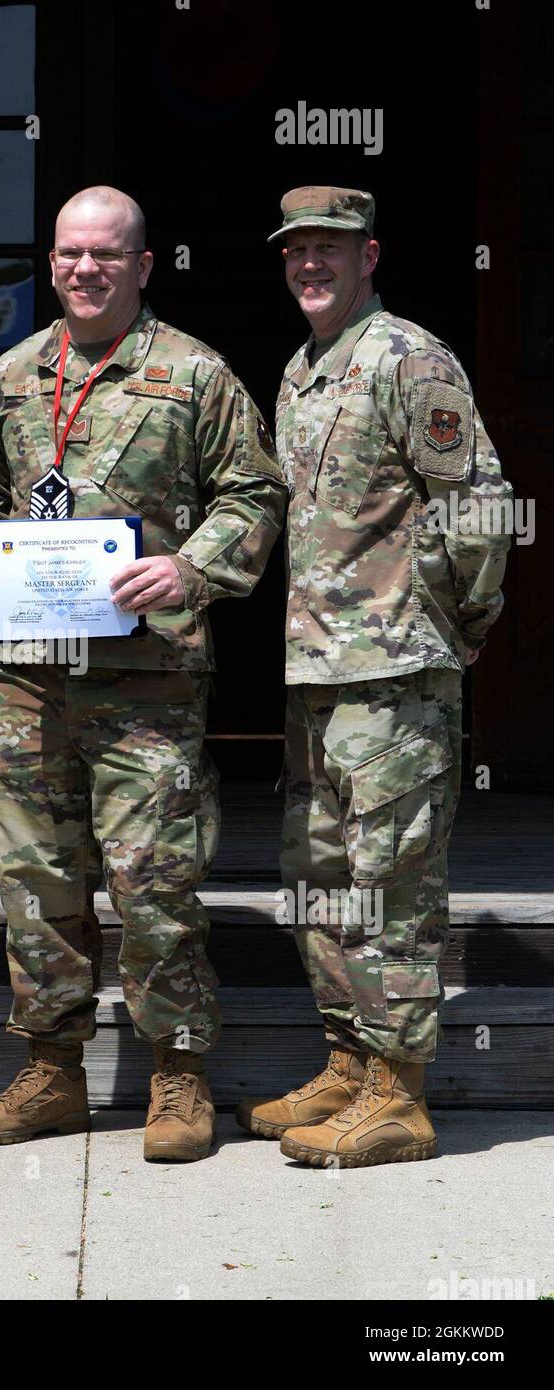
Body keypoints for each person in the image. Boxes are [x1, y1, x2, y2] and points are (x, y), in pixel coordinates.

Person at [0, 186, 287, 1162]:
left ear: (142, 265)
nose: (84, 269)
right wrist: (13, 563)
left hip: (147, 689)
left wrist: (188, 565)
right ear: (50, 263)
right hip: (28, 686)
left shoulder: (193, 375)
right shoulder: (11, 377)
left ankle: (177, 1075)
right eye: (68, 253)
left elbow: (255, 491)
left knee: (155, 885)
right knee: (34, 882)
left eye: (105, 254)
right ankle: (51, 1070)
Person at [237, 186, 512, 1167]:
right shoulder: (301, 371)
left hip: (395, 671)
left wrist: (456, 616)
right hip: (316, 677)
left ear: (369, 254)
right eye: (295, 249)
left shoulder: (406, 358)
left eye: (330, 248)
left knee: (389, 881)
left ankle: (399, 1096)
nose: (310, 263)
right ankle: (347, 1063)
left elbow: (477, 506)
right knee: (320, 883)